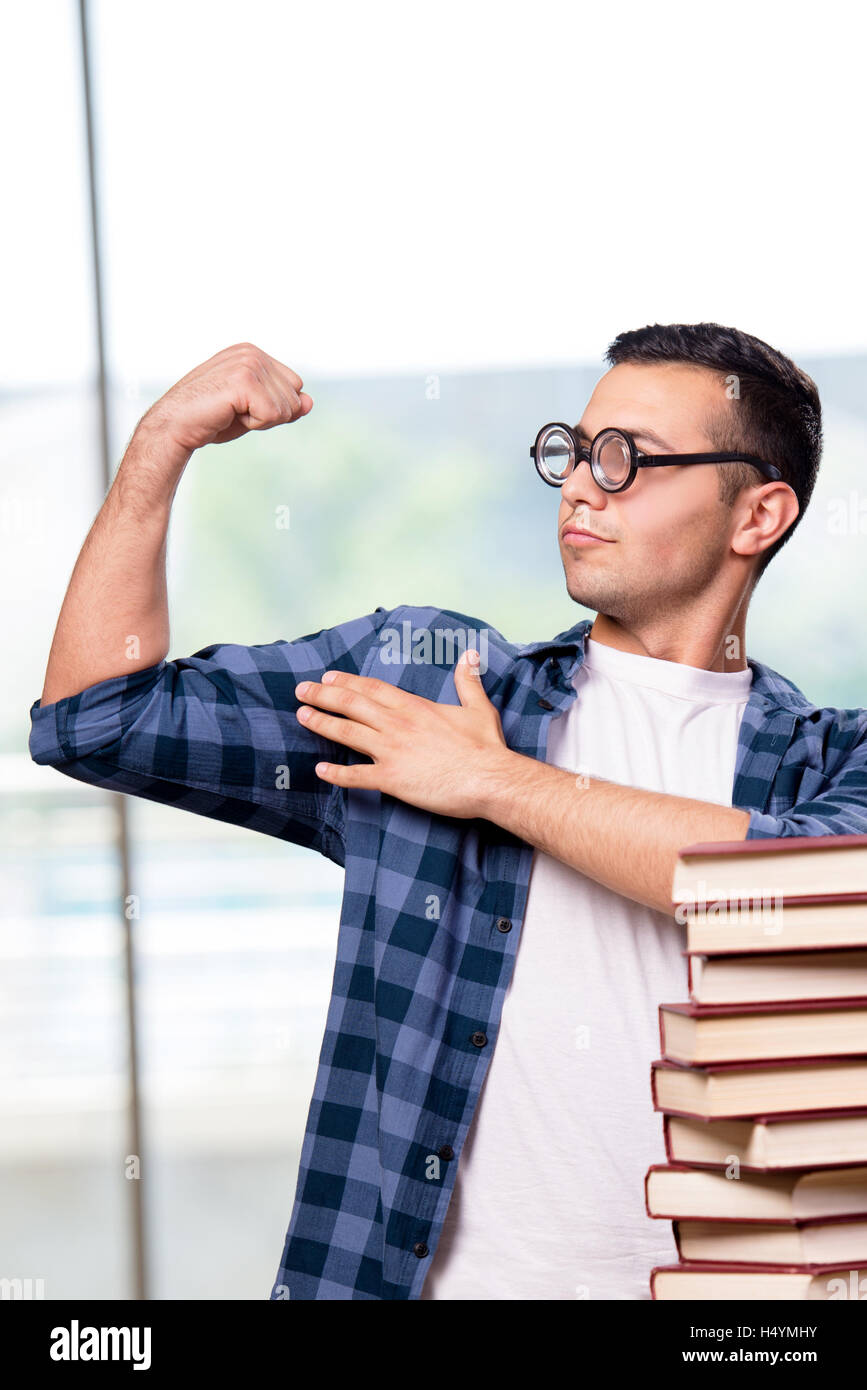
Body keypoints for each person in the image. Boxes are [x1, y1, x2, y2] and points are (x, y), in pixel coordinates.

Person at [29, 324, 867, 1300]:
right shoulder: (426, 682)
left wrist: (496, 782)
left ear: (757, 513)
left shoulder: (833, 759)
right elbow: (96, 719)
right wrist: (157, 447)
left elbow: (792, 885)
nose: (581, 486)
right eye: (573, 448)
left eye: (626, 457)